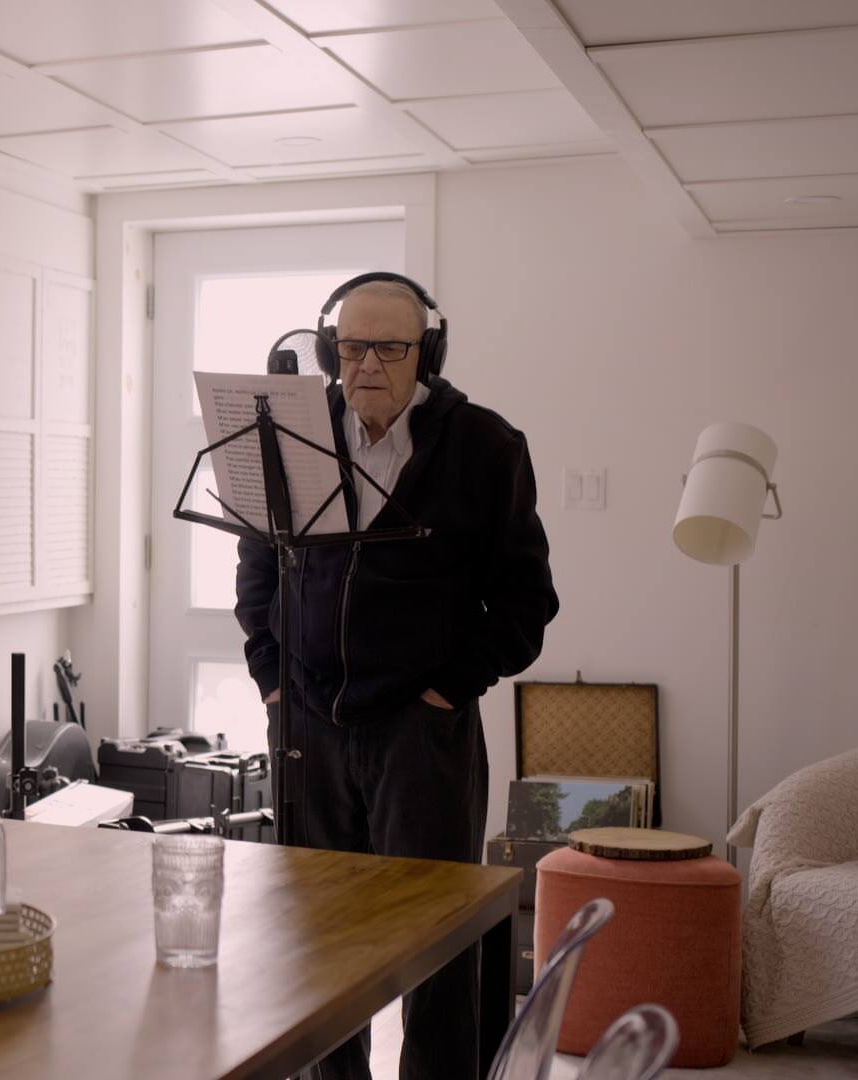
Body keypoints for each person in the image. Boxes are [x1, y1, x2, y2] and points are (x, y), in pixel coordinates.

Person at [234, 273, 558, 1080]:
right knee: (317, 951)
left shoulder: (486, 447)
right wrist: (271, 678)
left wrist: (447, 690)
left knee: (437, 953)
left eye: (389, 346)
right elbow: (258, 564)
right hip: (306, 723)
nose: (367, 364)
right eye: (350, 346)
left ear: (428, 353)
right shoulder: (293, 439)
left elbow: (525, 602)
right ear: (328, 350)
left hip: (422, 735)